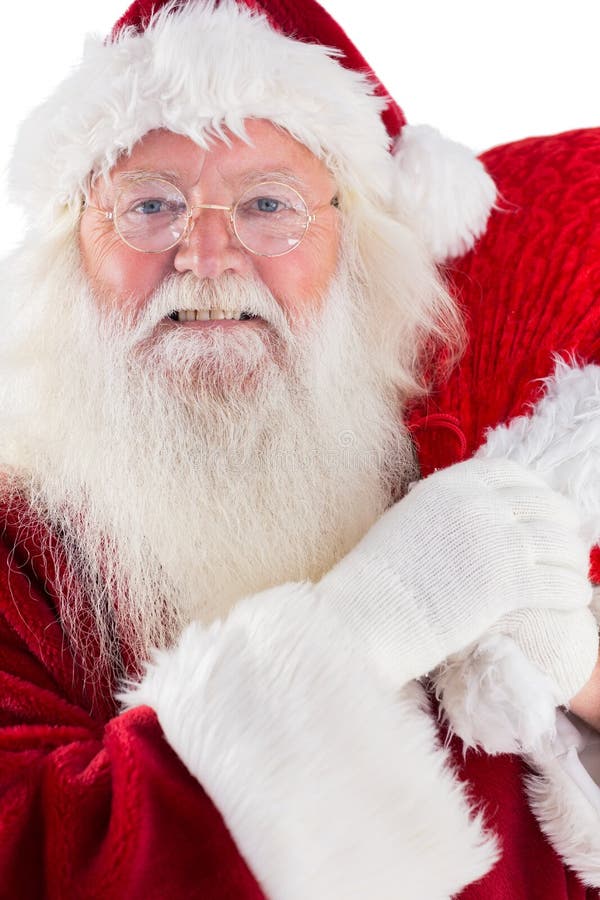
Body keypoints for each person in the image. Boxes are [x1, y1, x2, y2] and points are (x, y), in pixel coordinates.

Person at [0, 0, 598, 896]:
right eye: (149, 204)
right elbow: (42, 855)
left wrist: (580, 671)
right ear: (71, 249)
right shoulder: (17, 549)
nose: (207, 253)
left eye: (268, 203)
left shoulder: (484, 452)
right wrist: (370, 625)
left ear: (353, 250)